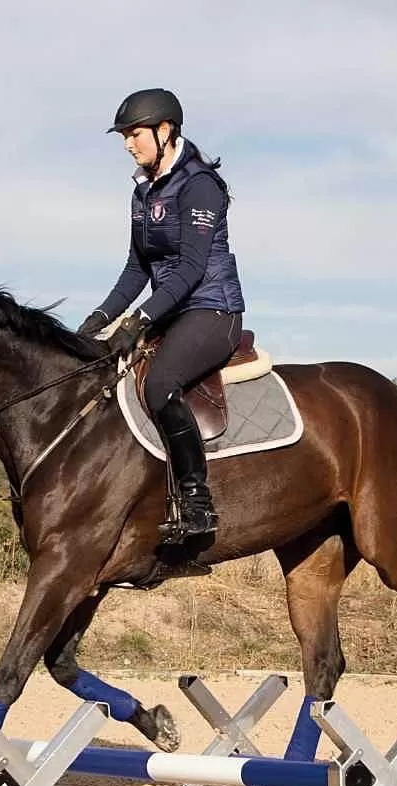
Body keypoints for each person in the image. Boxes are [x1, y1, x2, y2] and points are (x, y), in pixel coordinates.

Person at [78, 88, 246, 544]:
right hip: (170, 311)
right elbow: (137, 269)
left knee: (159, 384)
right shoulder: (143, 191)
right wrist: (98, 318)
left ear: (165, 130)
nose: (128, 144)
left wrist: (140, 319)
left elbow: (192, 269)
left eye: (134, 134)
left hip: (212, 309)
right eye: (124, 137)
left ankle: (196, 502)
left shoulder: (199, 185)